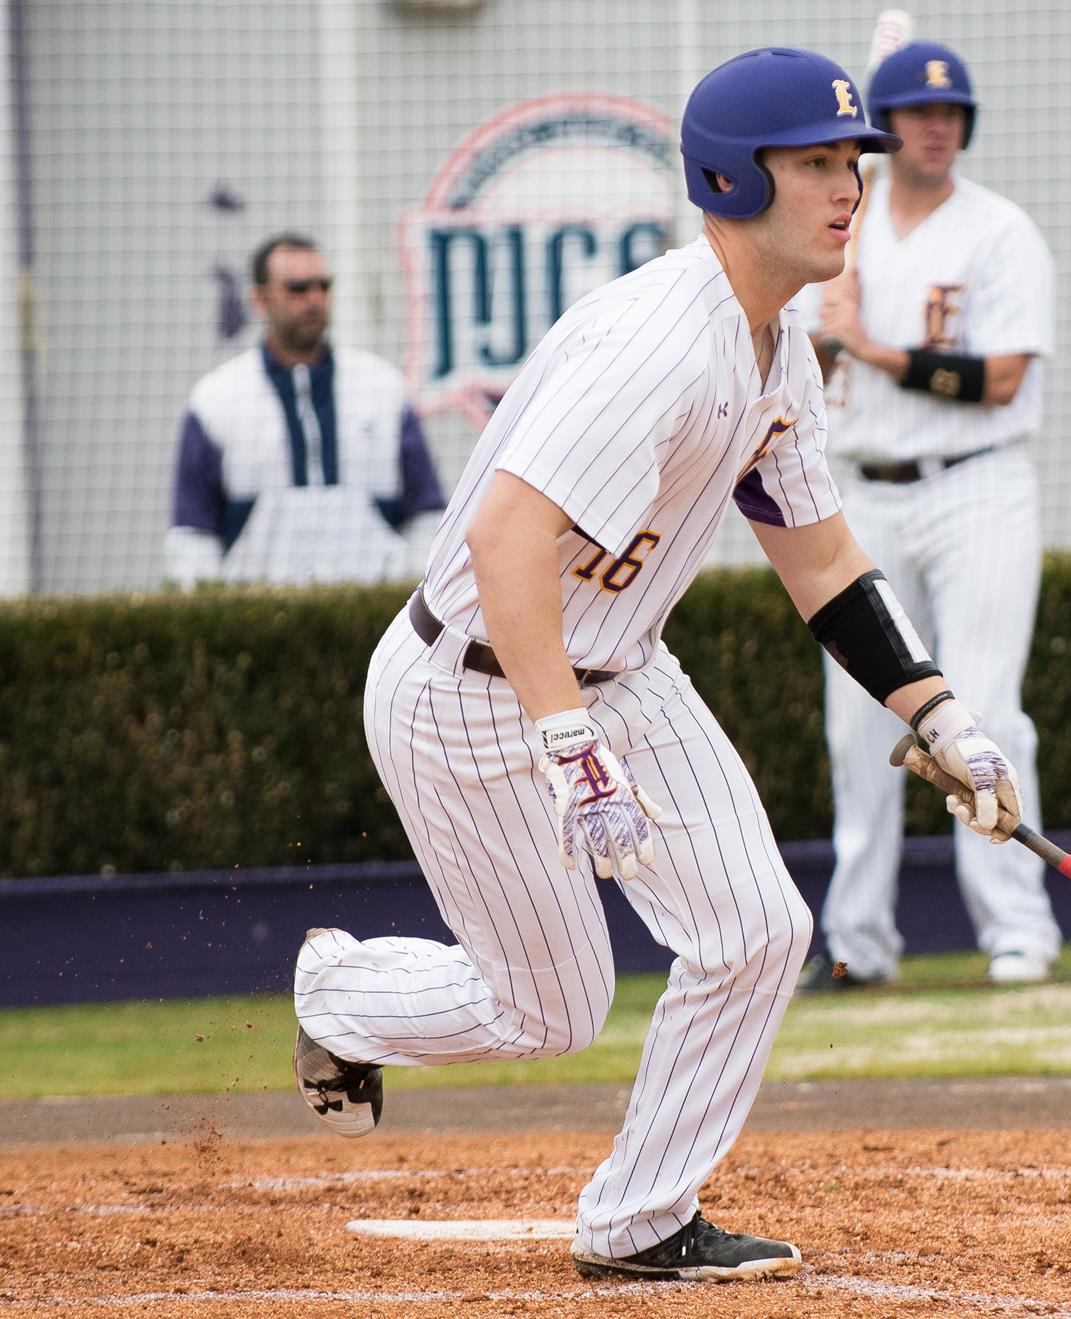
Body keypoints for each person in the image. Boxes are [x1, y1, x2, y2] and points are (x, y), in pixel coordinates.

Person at [288, 46, 1025, 1284]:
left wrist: (940, 711)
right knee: (549, 1012)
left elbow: (824, 563)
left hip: (622, 668)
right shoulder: (655, 341)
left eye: (852, 162)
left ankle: (636, 1218)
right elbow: (505, 541)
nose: (847, 187)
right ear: (733, 181)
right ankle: (338, 997)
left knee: (754, 928)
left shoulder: (778, 346)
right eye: (814, 164)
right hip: (470, 690)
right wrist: (569, 746)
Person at [796, 41, 1061, 989]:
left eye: (951, 113)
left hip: (978, 486)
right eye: (915, 111)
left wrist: (870, 344)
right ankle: (856, 941)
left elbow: (1001, 379)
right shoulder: (839, 233)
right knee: (856, 723)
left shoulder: (998, 232)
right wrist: (828, 342)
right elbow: (807, 377)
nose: (936, 126)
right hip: (862, 490)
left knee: (981, 706)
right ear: (884, 129)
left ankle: (1015, 927)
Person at [166, 233, 446, 587]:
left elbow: (426, 514)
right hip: (258, 619)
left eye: (323, 286)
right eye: (298, 288)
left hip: (375, 620)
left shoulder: (383, 388)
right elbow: (193, 533)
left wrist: (411, 601)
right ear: (260, 299)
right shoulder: (215, 400)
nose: (314, 299)